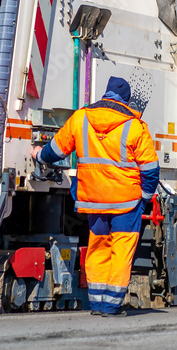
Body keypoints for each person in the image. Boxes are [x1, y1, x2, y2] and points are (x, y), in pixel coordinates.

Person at [32, 77, 159, 317]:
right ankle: (111, 306)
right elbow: (151, 170)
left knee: (98, 248)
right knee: (120, 252)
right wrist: (145, 196)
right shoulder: (134, 126)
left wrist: (39, 155)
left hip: (92, 199)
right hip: (126, 202)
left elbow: (55, 151)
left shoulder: (80, 118)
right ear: (127, 100)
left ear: (106, 94)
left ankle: (97, 304)